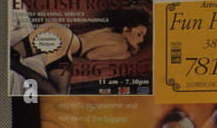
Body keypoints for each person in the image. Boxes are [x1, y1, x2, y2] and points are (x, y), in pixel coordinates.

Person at [10, 7, 150, 95]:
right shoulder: (122, 46)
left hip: (56, 29)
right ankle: (16, 66)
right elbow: (92, 54)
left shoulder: (111, 30)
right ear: (126, 30)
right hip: (65, 42)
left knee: (11, 54)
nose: (142, 40)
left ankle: (13, 62)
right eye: (139, 34)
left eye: (143, 36)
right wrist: (127, 55)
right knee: (60, 94)